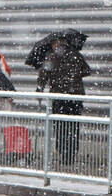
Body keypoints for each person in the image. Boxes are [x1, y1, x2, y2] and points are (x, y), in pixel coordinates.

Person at [26, 30, 89, 168]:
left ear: (55, 44)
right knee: (73, 126)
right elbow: (86, 71)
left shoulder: (51, 57)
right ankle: (71, 154)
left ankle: (62, 153)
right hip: (75, 97)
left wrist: (39, 90)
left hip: (58, 97)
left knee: (60, 126)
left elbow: (42, 77)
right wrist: (73, 76)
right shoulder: (76, 55)